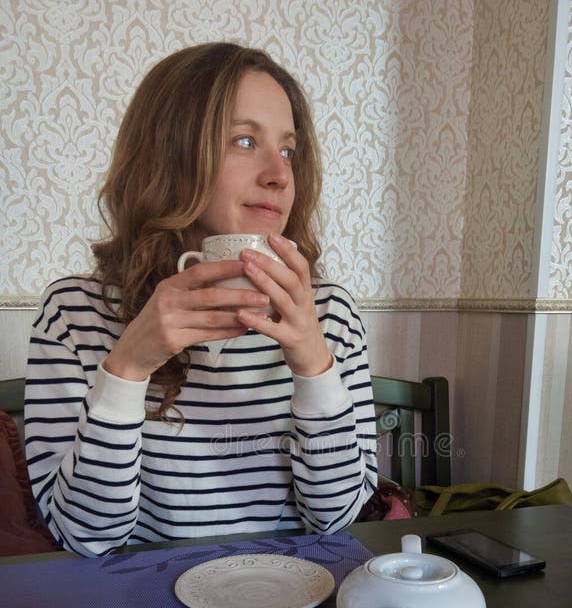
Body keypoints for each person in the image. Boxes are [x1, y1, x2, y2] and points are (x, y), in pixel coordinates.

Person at [24, 43, 378, 557]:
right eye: (243, 140)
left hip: (289, 595)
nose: (279, 175)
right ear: (170, 154)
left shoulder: (330, 315)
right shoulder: (74, 314)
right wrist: (126, 369)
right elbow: (86, 537)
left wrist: (313, 366)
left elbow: (336, 519)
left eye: (287, 149)